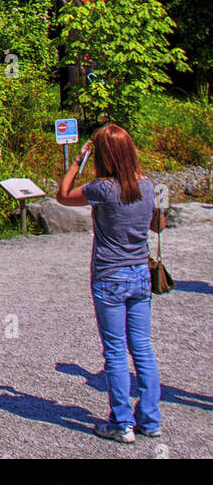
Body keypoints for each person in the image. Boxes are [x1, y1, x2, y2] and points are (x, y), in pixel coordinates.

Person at [57, 123, 165, 443]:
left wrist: (79, 159)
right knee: (143, 348)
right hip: (141, 275)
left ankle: (121, 423)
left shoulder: (102, 189)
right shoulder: (148, 186)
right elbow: (156, 223)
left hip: (110, 276)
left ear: (103, 155)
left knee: (115, 352)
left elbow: (62, 194)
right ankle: (150, 419)